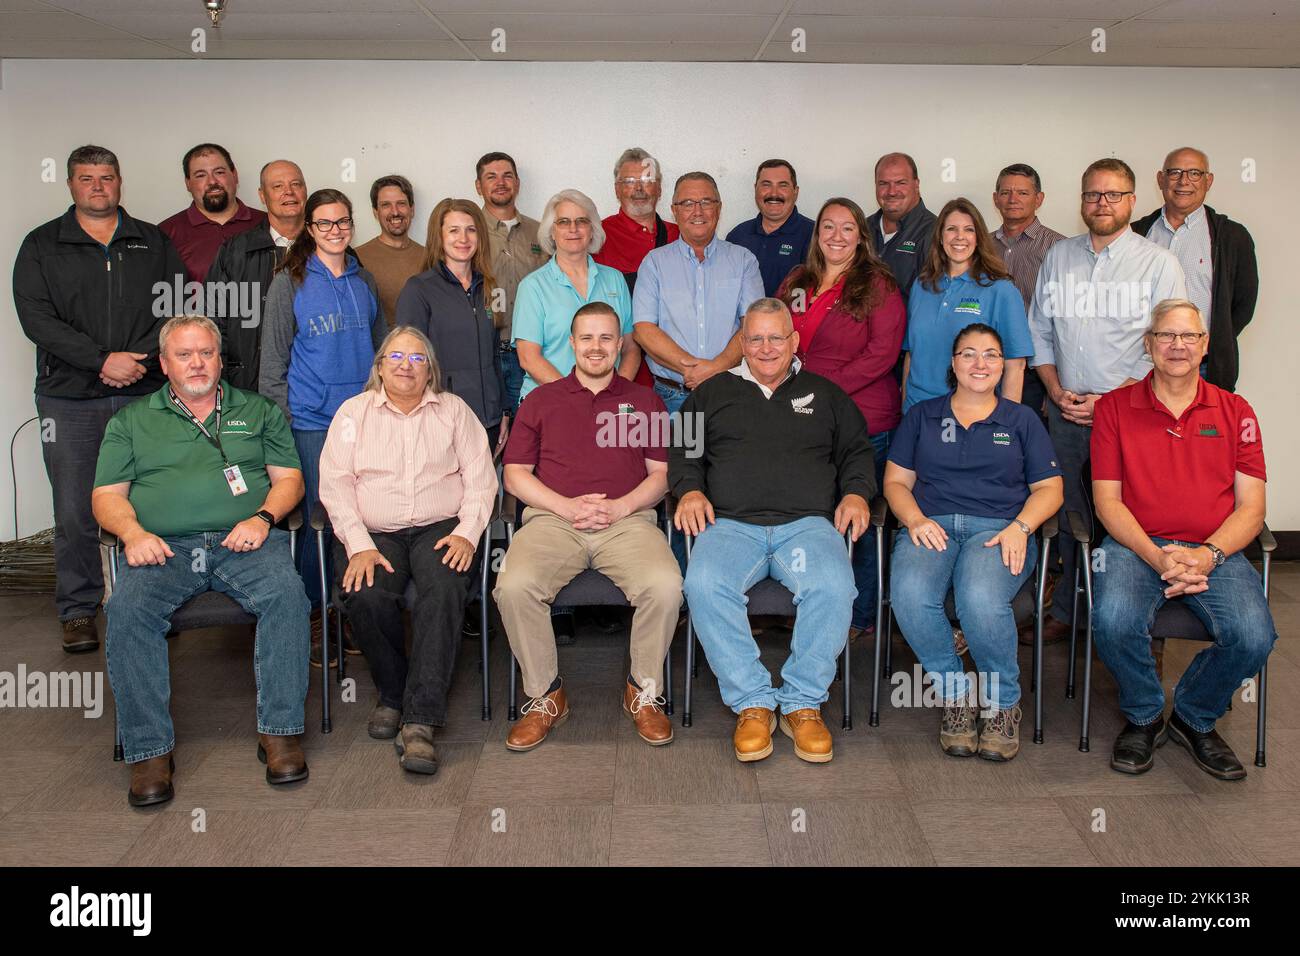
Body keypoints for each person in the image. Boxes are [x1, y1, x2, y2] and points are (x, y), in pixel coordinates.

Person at [92, 315, 309, 807]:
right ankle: (148, 750)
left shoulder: (257, 411)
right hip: (164, 547)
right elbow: (106, 496)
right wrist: (132, 532)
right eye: (184, 355)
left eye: (206, 353)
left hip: (244, 539)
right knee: (127, 611)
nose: (197, 363)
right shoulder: (132, 420)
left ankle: (279, 731)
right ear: (165, 363)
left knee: (287, 596)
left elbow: (289, 479)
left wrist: (262, 517)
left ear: (220, 358)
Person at [671, 298, 874, 764]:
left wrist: (857, 493)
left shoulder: (826, 395)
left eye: (775, 337)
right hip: (730, 525)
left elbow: (858, 453)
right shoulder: (711, 393)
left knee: (835, 585)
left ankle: (802, 702)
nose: (766, 348)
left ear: (794, 341)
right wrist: (689, 490)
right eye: (756, 338)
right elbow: (683, 451)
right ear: (742, 343)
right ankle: (754, 702)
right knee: (702, 583)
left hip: (805, 527)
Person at [1090, 300, 1275, 780]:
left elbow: (1252, 507)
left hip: (1216, 548)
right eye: (1166, 336)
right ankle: (1145, 715)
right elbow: (1108, 503)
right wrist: (1156, 556)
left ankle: (1194, 716)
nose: (1178, 346)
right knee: (1111, 620)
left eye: (1188, 336)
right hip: (1135, 546)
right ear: (1148, 345)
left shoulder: (1236, 410)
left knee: (1254, 637)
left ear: (1205, 344)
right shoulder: (1114, 408)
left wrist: (1207, 556)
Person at [13, 144, 186, 653]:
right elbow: (37, 319)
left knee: (153, 500)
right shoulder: (42, 245)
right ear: (70, 184)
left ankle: (153, 600)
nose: (97, 186)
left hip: (144, 389)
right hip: (70, 399)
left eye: (106, 177)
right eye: (86, 178)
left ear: (119, 182)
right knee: (74, 508)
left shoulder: (150, 241)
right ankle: (78, 609)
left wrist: (135, 358)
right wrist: (99, 360)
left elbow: (177, 302)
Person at [496, 303, 680, 751]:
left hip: (628, 521)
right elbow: (514, 474)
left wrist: (619, 508)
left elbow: (660, 475)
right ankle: (545, 697)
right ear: (573, 343)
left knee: (666, 585)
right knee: (514, 585)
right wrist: (565, 506)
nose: (596, 347)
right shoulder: (541, 400)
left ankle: (644, 692)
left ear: (619, 345)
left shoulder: (644, 401)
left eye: (605, 338)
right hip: (554, 521)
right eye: (586, 338)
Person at [318, 326, 497, 773]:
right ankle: (393, 694)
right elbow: (335, 486)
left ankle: (420, 720)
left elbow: (481, 479)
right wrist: (357, 545)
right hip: (375, 533)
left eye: (418, 359)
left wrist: (468, 533)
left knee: (444, 591)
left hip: (441, 528)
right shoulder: (352, 414)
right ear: (379, 367)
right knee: (367, 593)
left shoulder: (454, 412)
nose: (406, 366)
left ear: (430, 370)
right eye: (396, 357)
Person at [885, 324, 1063, 761]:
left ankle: (1003, 704)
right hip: (933, 524)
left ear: (1003, 365)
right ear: (953, 363)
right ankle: (955, 695)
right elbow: (895, 482)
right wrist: (914, 519)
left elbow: (1051, 489)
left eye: (990, 355)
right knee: (908, 593)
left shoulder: (1021, 420)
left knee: (979, 598)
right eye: (968, 354)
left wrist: (1021, 527)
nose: (980, 363)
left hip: (1000, 527)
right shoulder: (923, 416)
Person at [1029, 158, 1187, 645]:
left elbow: (1170, 346)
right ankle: (1071, 612)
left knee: (1127, 516)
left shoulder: (1158, 263)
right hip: (1066, 412)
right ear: (1081, 201)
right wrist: (1055, 390)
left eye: (1113, 195)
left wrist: (1110, 403)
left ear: (1132, 201)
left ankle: (1127, 623)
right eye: (1093, 194)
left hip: (1132, 417)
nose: (1102, 203)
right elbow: (1040, 330)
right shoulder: (1059, 258)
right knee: (1072, 514)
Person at [260, 188, 386, 657]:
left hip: (365, 422)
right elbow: (272, 364)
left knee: (361, 516)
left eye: (343, 222)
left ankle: (353, 610)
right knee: (321, 519)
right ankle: (317, 615)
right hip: (312, 424)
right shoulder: (288, 282)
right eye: (325, 224)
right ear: (309, 230)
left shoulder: (364, 280)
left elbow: (383, 355)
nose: (335, 231)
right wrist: (282, 430)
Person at [775, 197, 905, 644]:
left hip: (862, 418)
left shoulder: (877, 285)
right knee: (812, 516)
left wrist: (821, 391)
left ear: (861, 237)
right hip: (803, 418)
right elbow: (778, 336)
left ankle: (860, 614)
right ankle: (810, 604)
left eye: (846, 228)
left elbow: (882, 355)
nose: (835, 236)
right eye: (827, 227)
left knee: (858, 518)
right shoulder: (797, 280)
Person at [633, 171, 763, 415]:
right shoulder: (654, 263)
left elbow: (752, 327)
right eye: (687, 203)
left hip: (732, 392)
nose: (698, 211)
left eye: (706, 202)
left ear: (719, 207)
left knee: (732, 455)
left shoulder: (744, 260)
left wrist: (716, 369)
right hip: (671, 398)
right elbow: (643, 330)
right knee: (678, 455)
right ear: (674, 209)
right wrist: (693, 370)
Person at [1132, 147, 1258, 392]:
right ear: (1160, 179)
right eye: (1175, 172)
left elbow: (1242, 306)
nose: (1184, 181)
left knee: (1204, 431)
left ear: (1208, 181)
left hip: (1206, 368)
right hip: (1142, 366)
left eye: (1194, 173)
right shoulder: (1136, 234)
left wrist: (1202, 342)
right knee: (1145, 431)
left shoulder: (1232, 237)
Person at [395, 198, 507, 450]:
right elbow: (407, 361)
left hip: (488, 418)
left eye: (471, 229)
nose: (463, 238)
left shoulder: (489, 287)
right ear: (439, 236)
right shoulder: (419, 289)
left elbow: (495, 354)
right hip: (440, 418)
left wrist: (503, 410)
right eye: (453, 230)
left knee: (486, 490)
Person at [902, 197, 1033, 411]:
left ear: (979, 238)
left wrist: (1006, 424)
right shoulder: (922, 286)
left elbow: (1015, 365)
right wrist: (905, 412)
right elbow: (911, 354)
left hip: (972, 416)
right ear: (940, 237)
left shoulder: (1001, 290)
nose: (960, 237)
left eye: (969, 230)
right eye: (951, 229)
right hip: (917, 411)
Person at [513, 189, 639, 402]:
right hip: (550, 401)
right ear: (551, 231)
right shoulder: (532, 286)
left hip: (607, 402)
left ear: (592, 230)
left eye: (582, 221)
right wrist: (577, 398)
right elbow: (528, 358)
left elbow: (631, 348)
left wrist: (615, 394)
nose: (573, 228)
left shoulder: (615, 279)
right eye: (563, 222)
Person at [206, 159, 308, 391]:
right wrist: (225, 374)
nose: (289, 192)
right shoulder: (235, 250)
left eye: (296, 184)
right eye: (278, 186)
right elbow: (211, 319)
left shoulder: (329, 249)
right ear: (262, 196)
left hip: (311, 389)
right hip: (245, 387)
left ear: (305, 191)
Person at [474, 152, 548, 417]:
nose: (500, 182)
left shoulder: (540, 232)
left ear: (517, 183)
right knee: (484, 432)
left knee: (527, 430)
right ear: (478, 186)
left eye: (507, 176)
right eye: (491, 177)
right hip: (482, 351)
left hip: (530, 353)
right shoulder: (468, 231)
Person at [991, 163, 1065, 420]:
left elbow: (1065, 321)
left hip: (1035, 373)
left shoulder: (1059, 248)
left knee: (1027, 447)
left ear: (1039, 199)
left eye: (1022, 193)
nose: (1013, 199)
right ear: (995, 198)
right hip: (988, 366)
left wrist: (1053, 385)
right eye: (1005, 192)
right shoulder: (982, 247)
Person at [159, 143, 266, 284]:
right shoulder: (165, 234)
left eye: (219, 172)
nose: (212, 181)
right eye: (200, 175)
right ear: (188, 184)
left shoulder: (266, 223)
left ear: (234, 175)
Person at [594, 147, 679, 297]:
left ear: (659, 189)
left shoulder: (680, 235)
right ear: (617, 190)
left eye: (647, 180)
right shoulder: (598, 236)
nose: (639, 188)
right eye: (630, 182)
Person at [725, 159, 816, 296]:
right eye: (766, 185)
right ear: (756, 188)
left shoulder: (815, 236)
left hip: (794, 317)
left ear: (795, 191)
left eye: (783, 185)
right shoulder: (737, 236)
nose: (774, 193)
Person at [865, 152, 937, 302]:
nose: (891, 192)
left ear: (916, 184)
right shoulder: (861, 228)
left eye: (900, 183)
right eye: (883, 183)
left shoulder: (936, 232)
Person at [355, 174, 425, 327]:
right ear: (375, 212)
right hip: (378, 350)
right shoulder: (356, 258)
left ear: (411, 209)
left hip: (422, 348)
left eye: (401, 203)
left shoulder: (430, 257)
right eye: (386, 205)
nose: (395, 212)